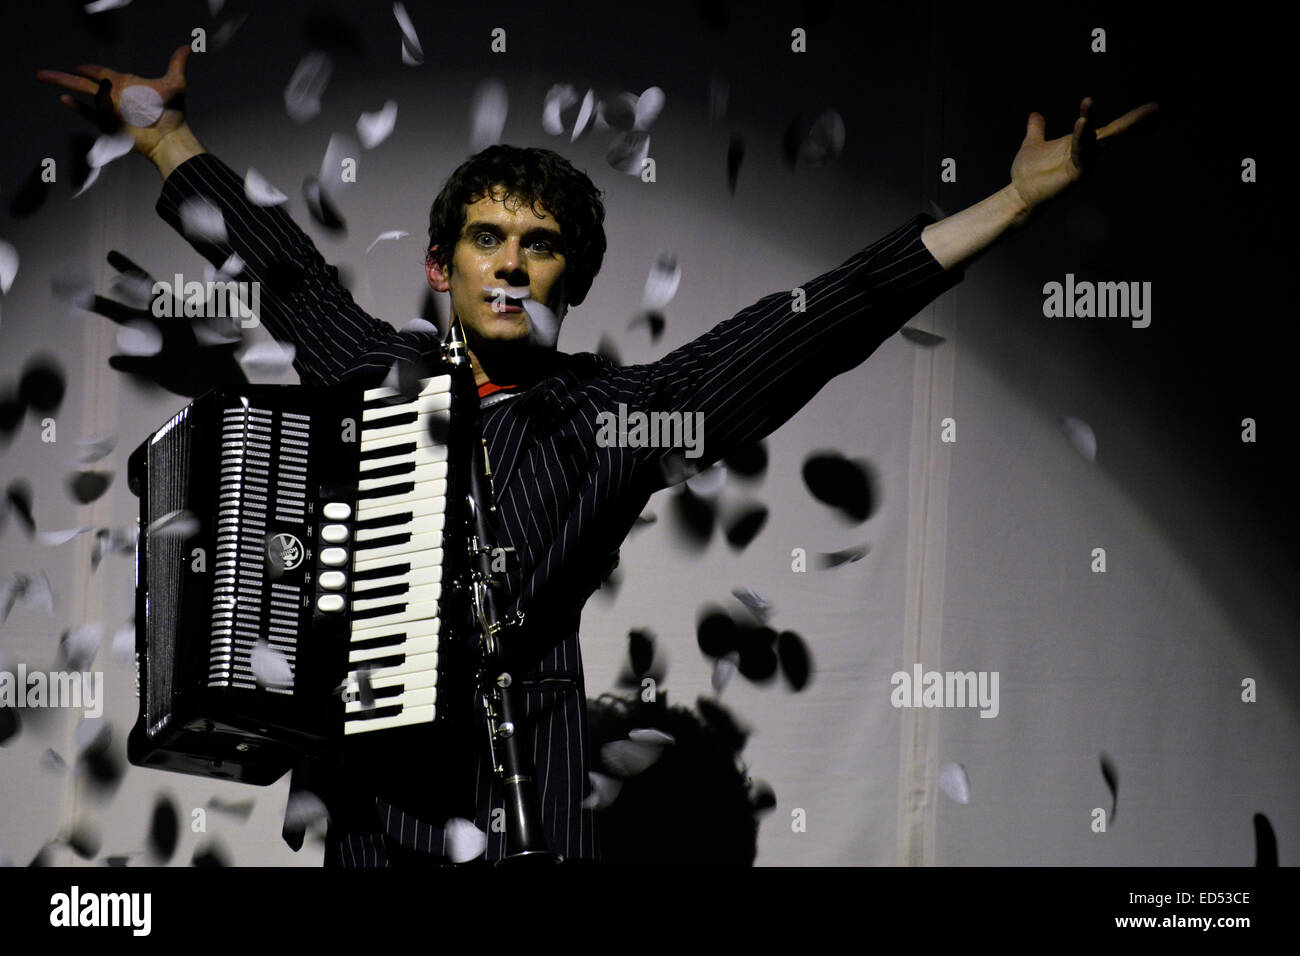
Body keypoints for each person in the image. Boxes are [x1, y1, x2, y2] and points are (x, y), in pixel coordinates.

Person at [39, 45, 1157, 866]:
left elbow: (822, 317)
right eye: (488, 239)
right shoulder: (372, 368)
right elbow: (282, 269)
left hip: (532, 818)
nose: (513, 264)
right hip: (373, 821)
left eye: (540, 244)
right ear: (443, 264)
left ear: (570, 276)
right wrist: (160, 131)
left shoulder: (623, 415)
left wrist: (1010, 202)